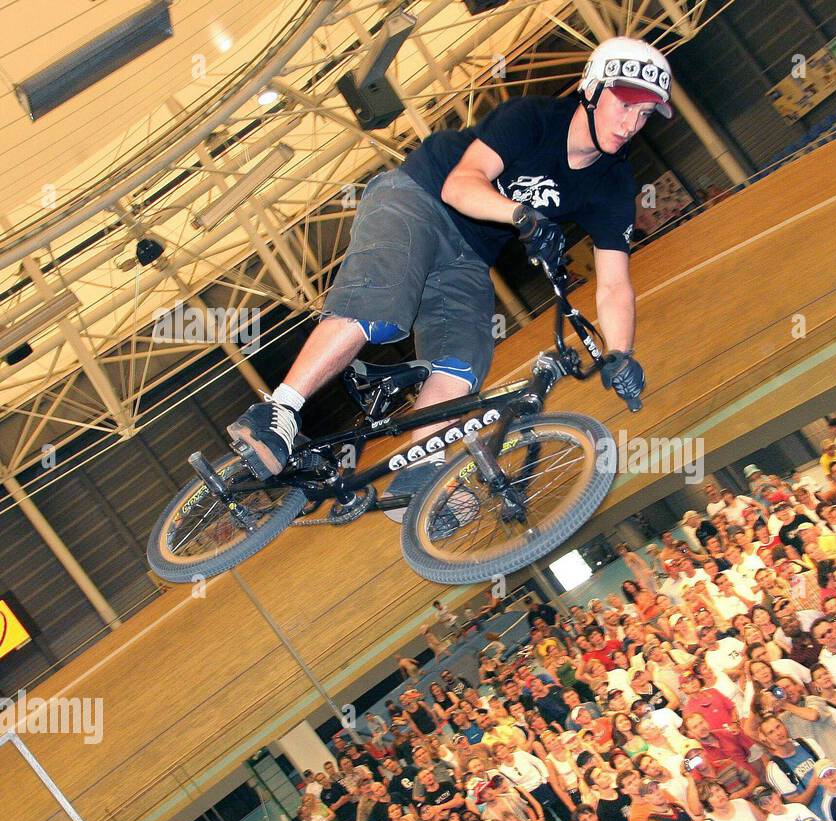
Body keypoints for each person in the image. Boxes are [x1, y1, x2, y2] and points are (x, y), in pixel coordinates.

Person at [224, 37, 663, 506]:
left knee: (465, 360)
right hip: (418, 196)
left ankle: (421, 474)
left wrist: (622, 353)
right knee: (382, 304)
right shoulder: (532, 120)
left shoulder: (613, 182)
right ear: (592, 89)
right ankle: (278, 412)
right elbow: (460, 186)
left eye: (644, 114)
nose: (631, 123)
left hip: (469, 256)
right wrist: (521, 215)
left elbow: (615, 283)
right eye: (624, 105)